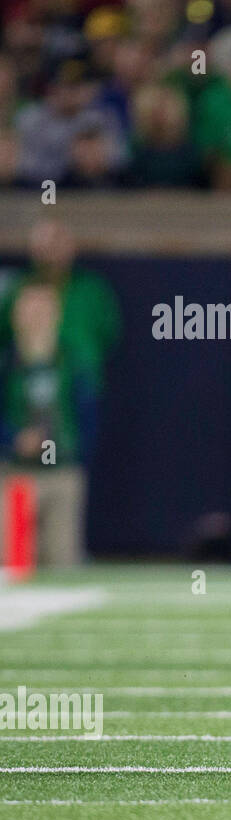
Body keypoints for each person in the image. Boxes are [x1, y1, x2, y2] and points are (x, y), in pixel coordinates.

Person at [0, 220, 120, 566]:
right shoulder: (9, 364)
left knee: (63, 559)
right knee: (16, 564)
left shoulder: (73, 363)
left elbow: (86, 414)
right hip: (18, 474)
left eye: (44, 309)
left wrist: (77, 457)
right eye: (28, 309)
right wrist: (12, 441)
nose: (36, 316)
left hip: (63, 471)